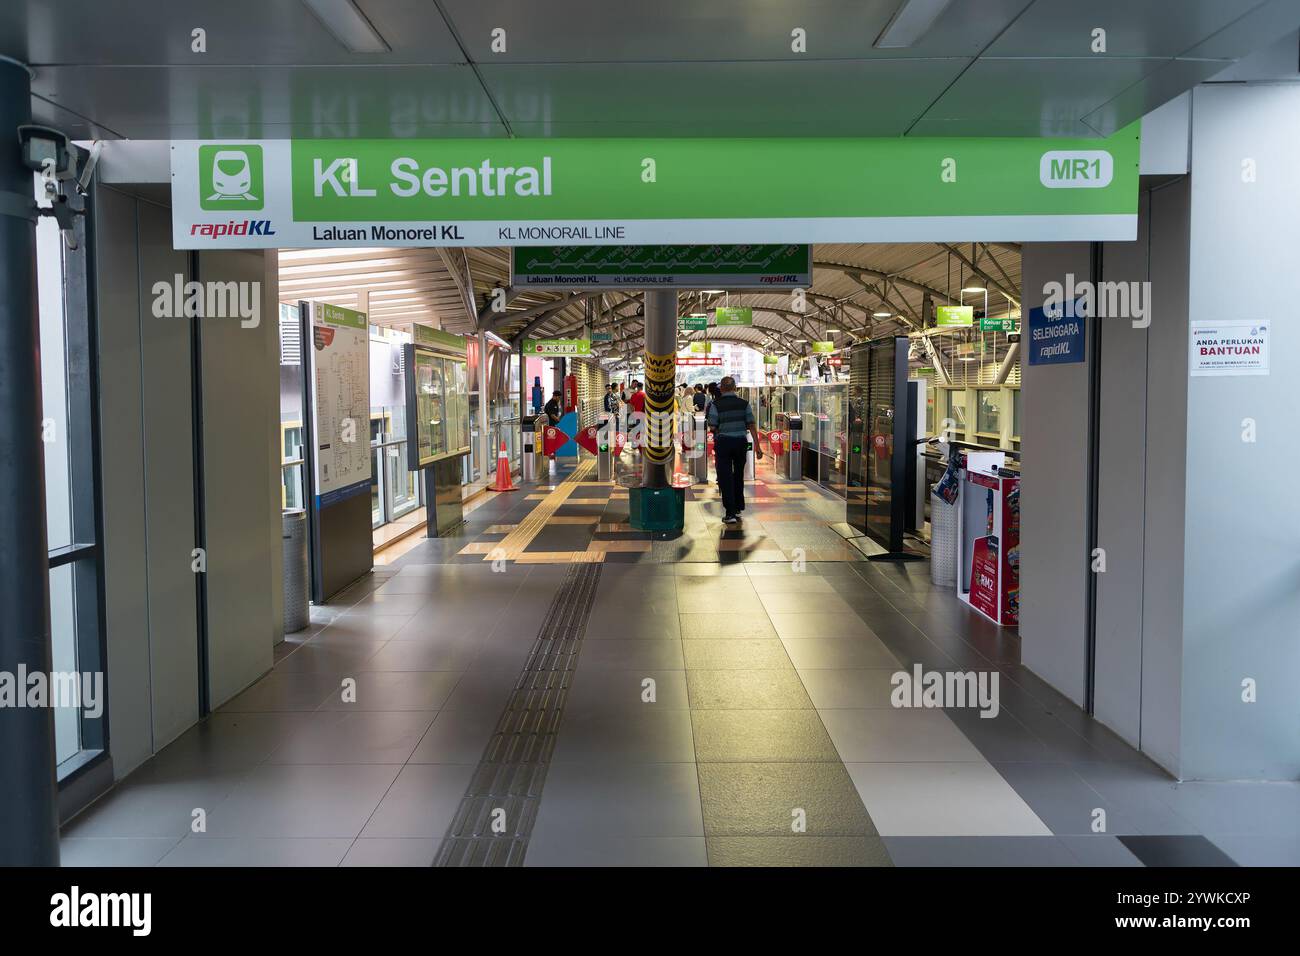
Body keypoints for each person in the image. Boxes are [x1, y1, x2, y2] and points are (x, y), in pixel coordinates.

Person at [706, 376, 762, 524]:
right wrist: (758, 447)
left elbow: (712, 426)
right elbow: (751, 425)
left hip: (723, 443)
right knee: (738, 475)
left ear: (721, 389)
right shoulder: (744, 404)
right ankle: (738, 506)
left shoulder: (715, 404)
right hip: (740, 443)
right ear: (735, 388)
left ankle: (730, 513)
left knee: (725, 477)